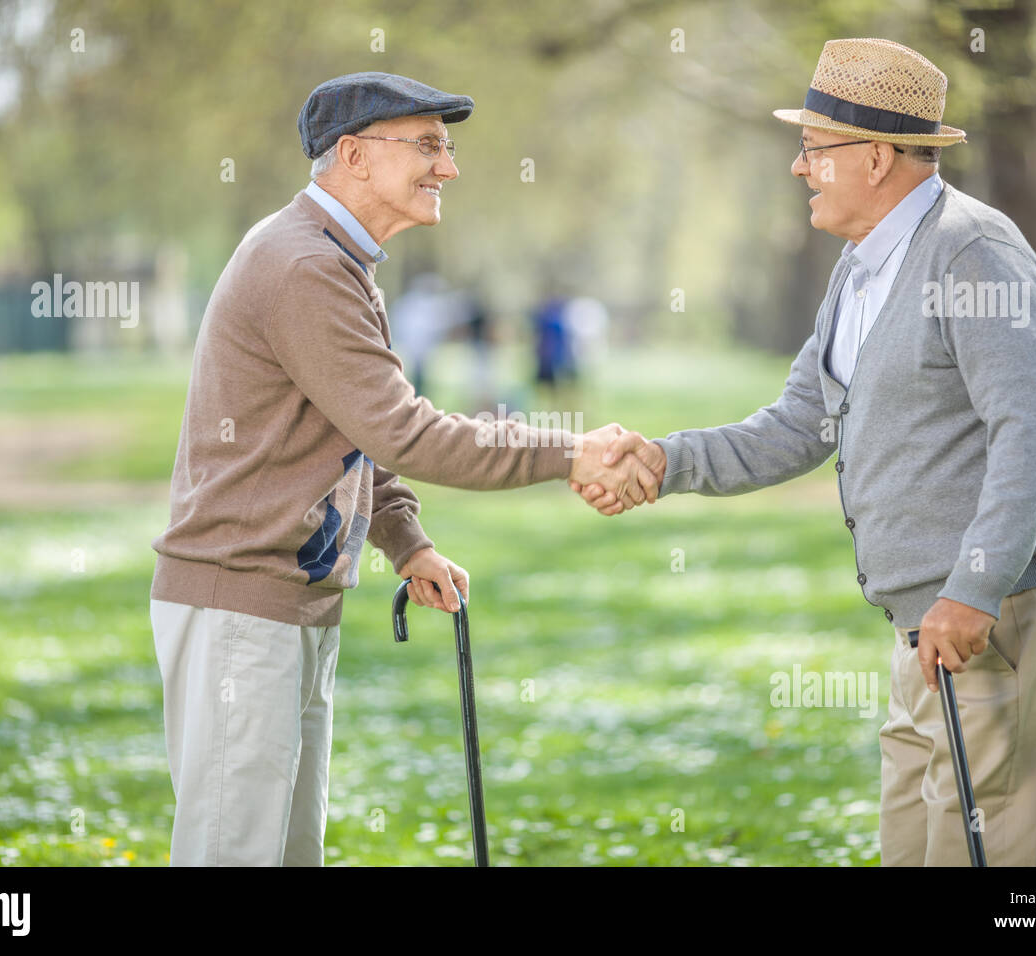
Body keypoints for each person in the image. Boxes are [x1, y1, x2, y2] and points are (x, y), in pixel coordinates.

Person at [575, 39, 1036, 867]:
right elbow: (798, 426)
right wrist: (663, 462)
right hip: (926, 629)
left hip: (1002, 618)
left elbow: (1028, 432)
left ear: (879, 158)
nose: (798, 168)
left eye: (815, 150)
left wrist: (974, 588)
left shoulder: (973, 255)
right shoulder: (861, 269)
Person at [149, 71, 656, 866]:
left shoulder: (338, 262)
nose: (447, 167)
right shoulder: (303, 266)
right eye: (427, 146)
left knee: (286, 854)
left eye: (445, 148)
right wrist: (570, 452)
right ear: (353, 155)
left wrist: (405, 540)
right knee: (231, 854)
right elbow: (407, 431)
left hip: (287, 605)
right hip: (241, 607)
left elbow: (357, 432)